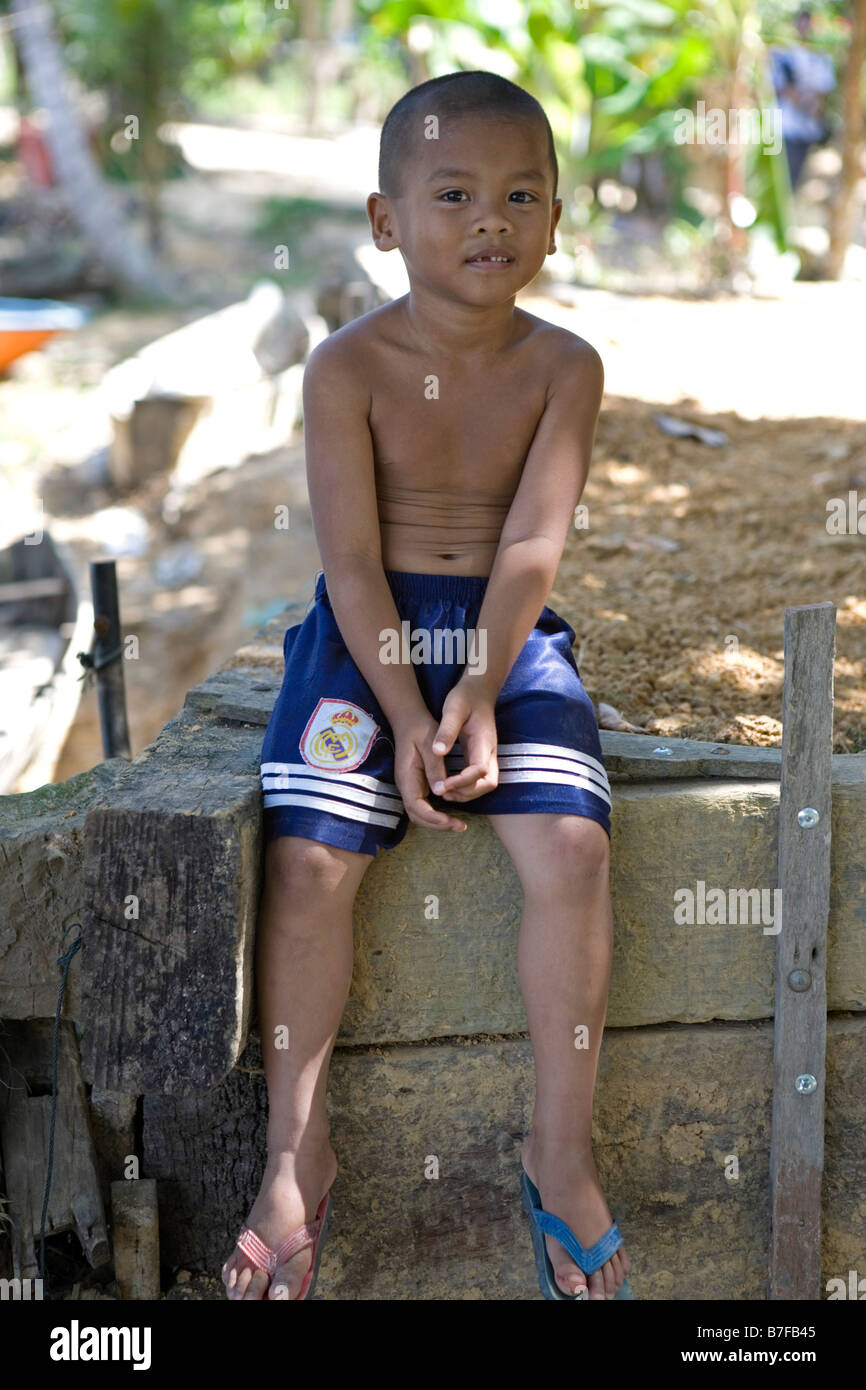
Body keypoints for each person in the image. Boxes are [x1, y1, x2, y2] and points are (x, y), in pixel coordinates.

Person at [221, 69, 632, 1302]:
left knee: (569, 848)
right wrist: (408, 711)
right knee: (306, 861)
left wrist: (479, 688)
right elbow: (347, 561)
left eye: (521, 195)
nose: (490, 219)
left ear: (556, 223)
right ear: (387, 220)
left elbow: (529, 549)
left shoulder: (565, 364)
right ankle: (296, 1155)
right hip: (366, 640)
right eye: (453, 193)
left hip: (507, 637)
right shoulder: (345, 369)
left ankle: (557, 1154)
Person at [769, 4, 835, 189]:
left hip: (805, 132)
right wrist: (804, 101)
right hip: (784, 130)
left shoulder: (821, 58)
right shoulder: (783, 56)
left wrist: (809, 105)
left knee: (792, 183)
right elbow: (780, 88)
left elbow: (822, 99)